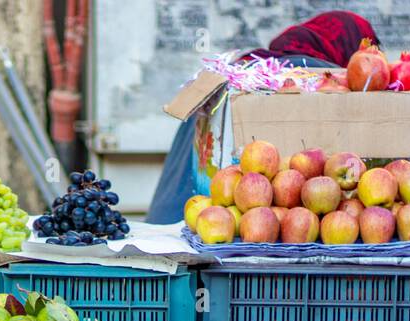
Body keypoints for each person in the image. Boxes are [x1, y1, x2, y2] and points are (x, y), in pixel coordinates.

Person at [147, 10, 381, 224]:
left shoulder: (237, 71)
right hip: (233, 231)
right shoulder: (317, 83)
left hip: (171, 226)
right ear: (350, 50)